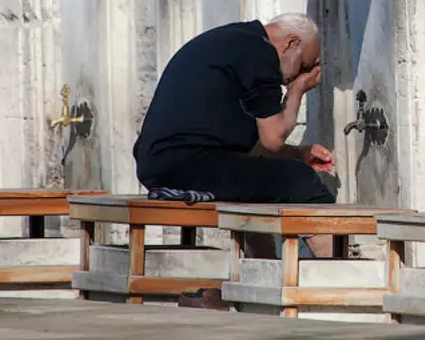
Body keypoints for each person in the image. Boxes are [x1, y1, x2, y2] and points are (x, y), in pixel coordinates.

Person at [133, 13, 335, 205]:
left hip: (156, 164)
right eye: (303, 66)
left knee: (260, 187)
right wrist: (297, 90)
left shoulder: (233, 41)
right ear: (291, 43)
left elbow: (252, 149)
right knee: (301, 179)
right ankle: (335, 240)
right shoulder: (261, 52)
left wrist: (299, 153)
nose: (300, 75)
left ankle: (257, 243)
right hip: (188, 165)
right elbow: (273, 139)